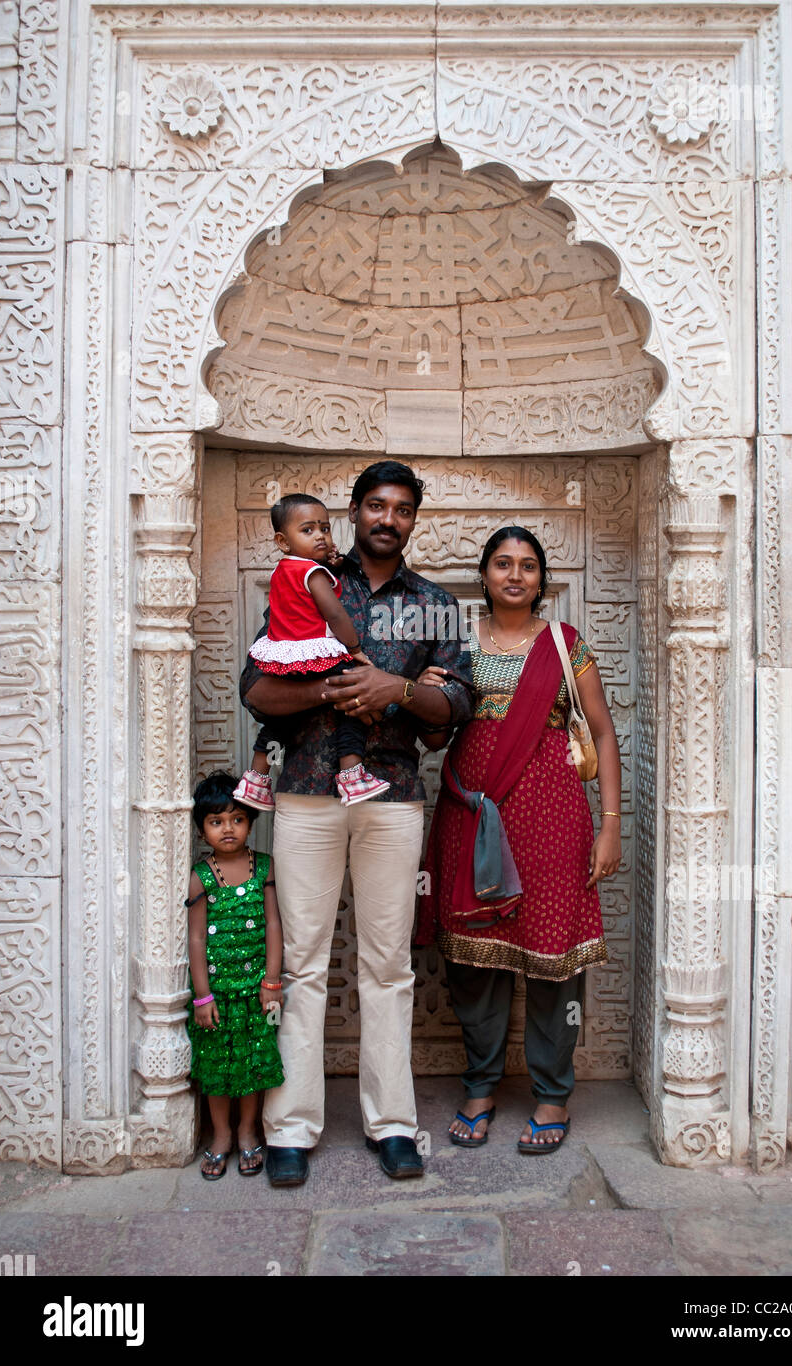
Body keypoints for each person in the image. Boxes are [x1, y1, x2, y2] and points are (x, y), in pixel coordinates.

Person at [240, 461, 474, 1186]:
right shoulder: (307, 581)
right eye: (375, 505)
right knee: (303, 963)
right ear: (352, 510)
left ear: (413, 520)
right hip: (307, 796)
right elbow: (256, 691)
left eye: (402, 509)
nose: (387, 518)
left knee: (387, 966)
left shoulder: (433, 604)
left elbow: (458, 704)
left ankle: (393, 1123)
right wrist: (338, 688)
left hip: (393, 799)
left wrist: (396, 688)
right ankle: (290, 1127)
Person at [415, 526, 622, 1153]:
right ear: (484, 575)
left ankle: (553, 1095)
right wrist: (424, 695)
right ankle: (479, 1085)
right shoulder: (455, 644)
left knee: (554, 961)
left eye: (528, 566)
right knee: (473, 960)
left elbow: (605, 735)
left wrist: (611, 825)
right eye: (502, 564)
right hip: (472, 817)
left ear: (542, 579)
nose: (514, 575)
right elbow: (430, 741)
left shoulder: (565, 646)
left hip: (554, 821)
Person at [234, 493, 389, 810]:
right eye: (308, 530)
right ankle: (352, 775)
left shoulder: (283, 571)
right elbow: (334, 615)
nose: (320, 536)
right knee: (351, 703)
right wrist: (355, 648)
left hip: (284, 656)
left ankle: (256, 779)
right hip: (316, 653)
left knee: (281, 721)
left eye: (325, 529)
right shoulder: (314, 574)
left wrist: (331, 562)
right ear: (282, 540)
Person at [185, 771, 285, 1179]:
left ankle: (248, 1130)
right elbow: (195, 940)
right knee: (216, 1068)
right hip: (217, 997)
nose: (227, 828)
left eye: (237, 819)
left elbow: (275, 925)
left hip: (253, 993)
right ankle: (221, 1134)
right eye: (215, 821)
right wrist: (203, 996)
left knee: (252, 1066)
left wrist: (272, 982)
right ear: (202, 829)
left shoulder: (264, 868)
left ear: (250, 822)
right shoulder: (201, 875)